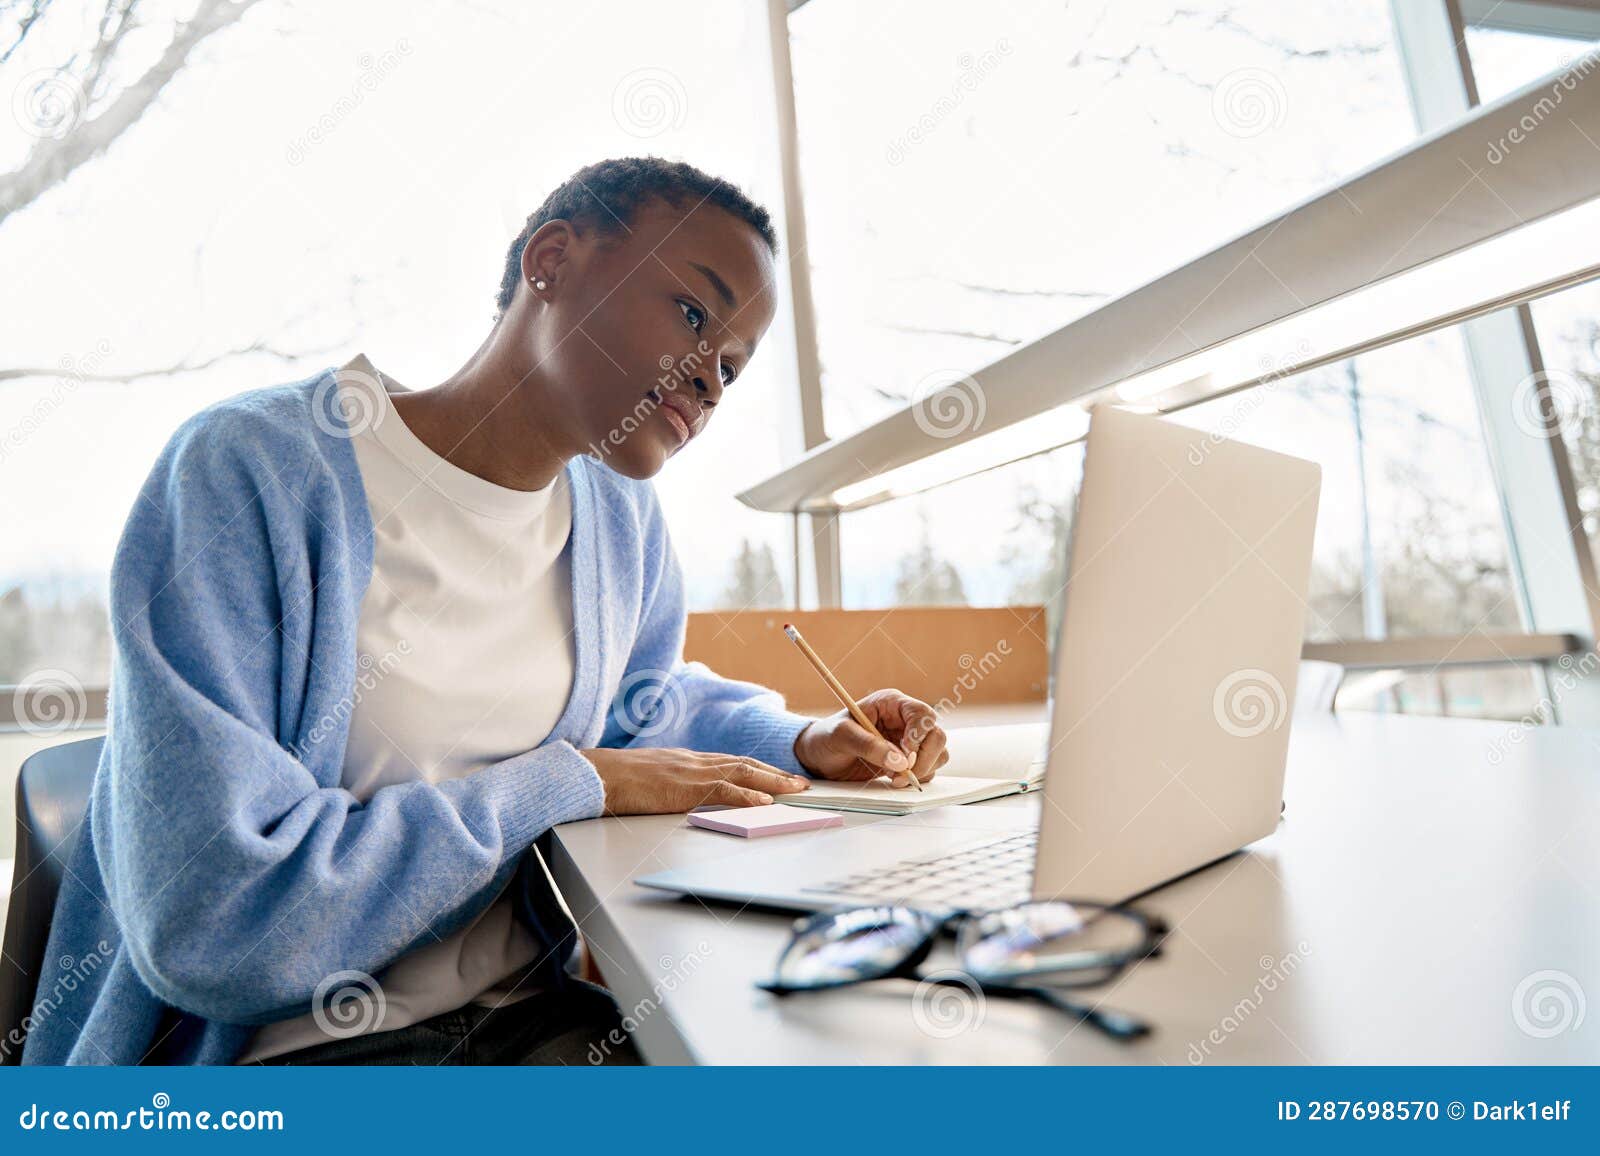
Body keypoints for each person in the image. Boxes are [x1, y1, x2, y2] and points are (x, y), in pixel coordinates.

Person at [21, 157, 948, 1067]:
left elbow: (639, 706)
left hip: (525, 1025)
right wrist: (564, 782)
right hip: (293, 1056)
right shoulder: (250, 474)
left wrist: (804, 738)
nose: (710, 379)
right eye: (695, 315)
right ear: (552, 260)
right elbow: (213, 924)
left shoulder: (618, 519)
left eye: (734, 369)